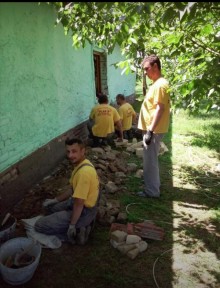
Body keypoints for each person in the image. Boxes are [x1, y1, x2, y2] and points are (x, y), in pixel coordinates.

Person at [35, 138, 100, 245]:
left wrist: (72, 225)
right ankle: (74, 224)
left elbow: (79, 203)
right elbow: (72, 189)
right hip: (79, 204)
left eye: (74, 151)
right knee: (51, 208)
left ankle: (76, 232)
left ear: (83, 151)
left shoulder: (83, 173)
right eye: (68, 151)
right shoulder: (83, 164)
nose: (70, 155)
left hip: (84, 212)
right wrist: (54, 200)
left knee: (39, 225)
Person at [137, 54, 170, 198]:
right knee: (151, 159)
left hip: (154, 130)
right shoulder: (157, 83)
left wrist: (150, 131)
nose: (145, 72)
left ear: (155, 66)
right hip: (153, 129)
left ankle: (152, 191)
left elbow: (160, 108)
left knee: (150, 161)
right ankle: (153, 185)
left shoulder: (161, 85)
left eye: (146, 69)